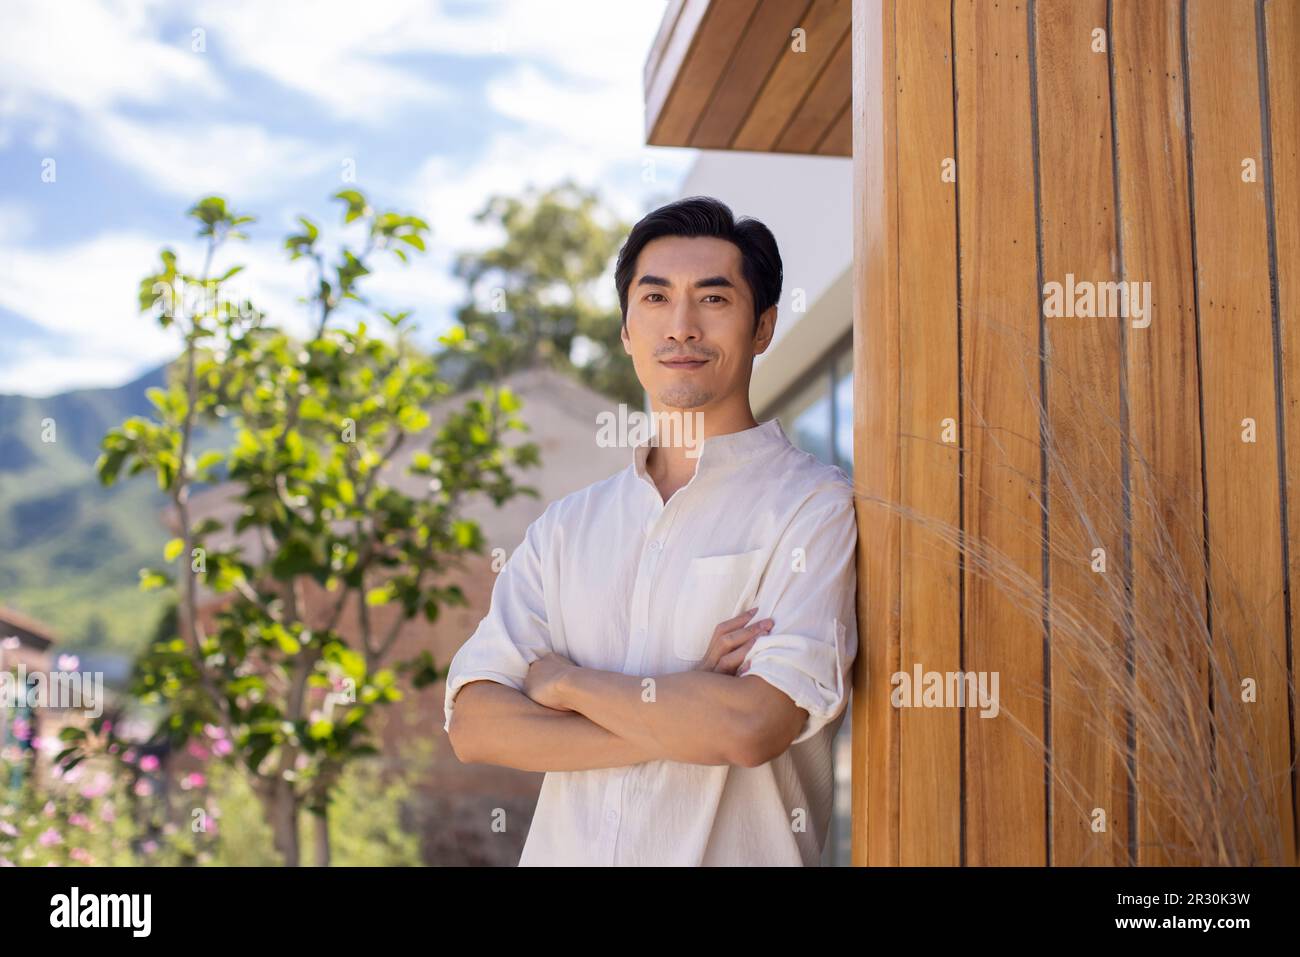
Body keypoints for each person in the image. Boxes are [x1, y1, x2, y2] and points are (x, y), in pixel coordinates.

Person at [443, 195, 858, 866]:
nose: (682, 326)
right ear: (627, 331)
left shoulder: (813, 506)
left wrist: (569, 686)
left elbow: (752, 725)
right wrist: (686, 695)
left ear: (763, 327)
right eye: (656, 298)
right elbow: (476, 723)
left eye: (714, 300)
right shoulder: (568, 528)